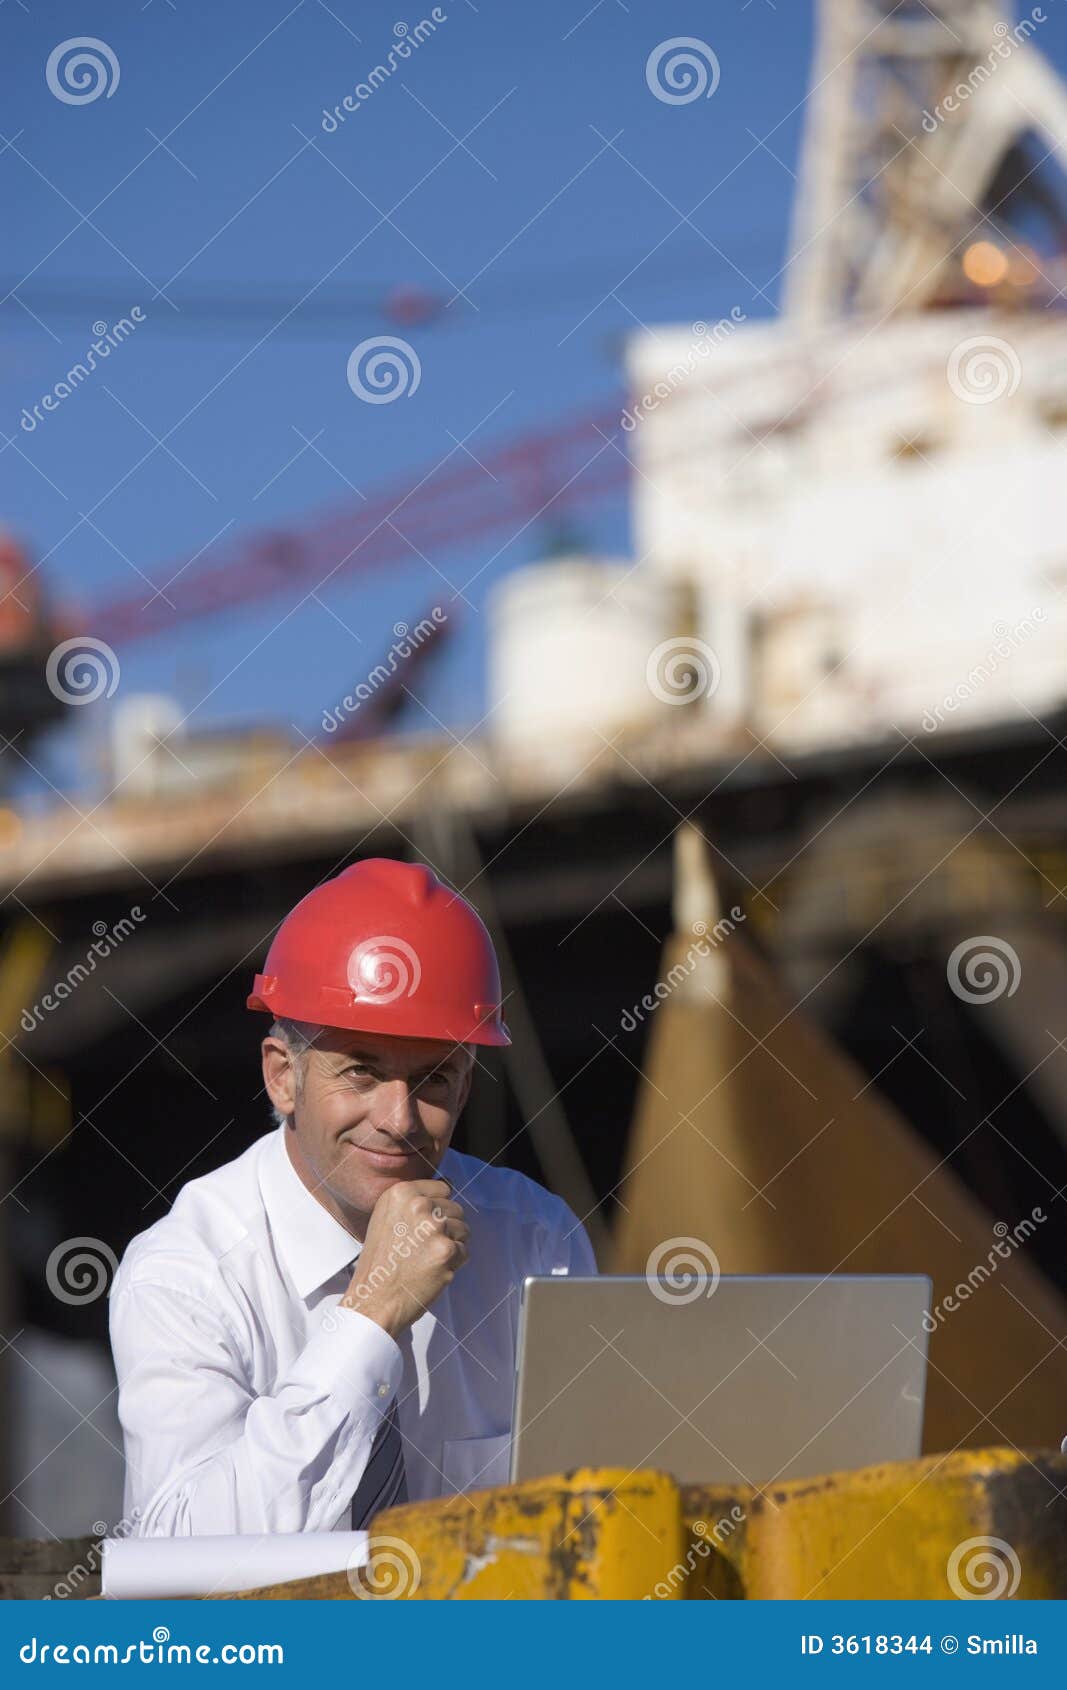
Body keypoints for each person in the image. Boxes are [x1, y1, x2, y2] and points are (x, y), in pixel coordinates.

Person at [109, 858, 596, 1536]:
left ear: (466, 1084)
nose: (398, 1119)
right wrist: (370, 1316)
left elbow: (599, 1502)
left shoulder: (536, 1242)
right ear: (283, 1078)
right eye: (360, 1072)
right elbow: (180, 1553)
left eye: (433, 1078)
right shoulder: (186, 1274)